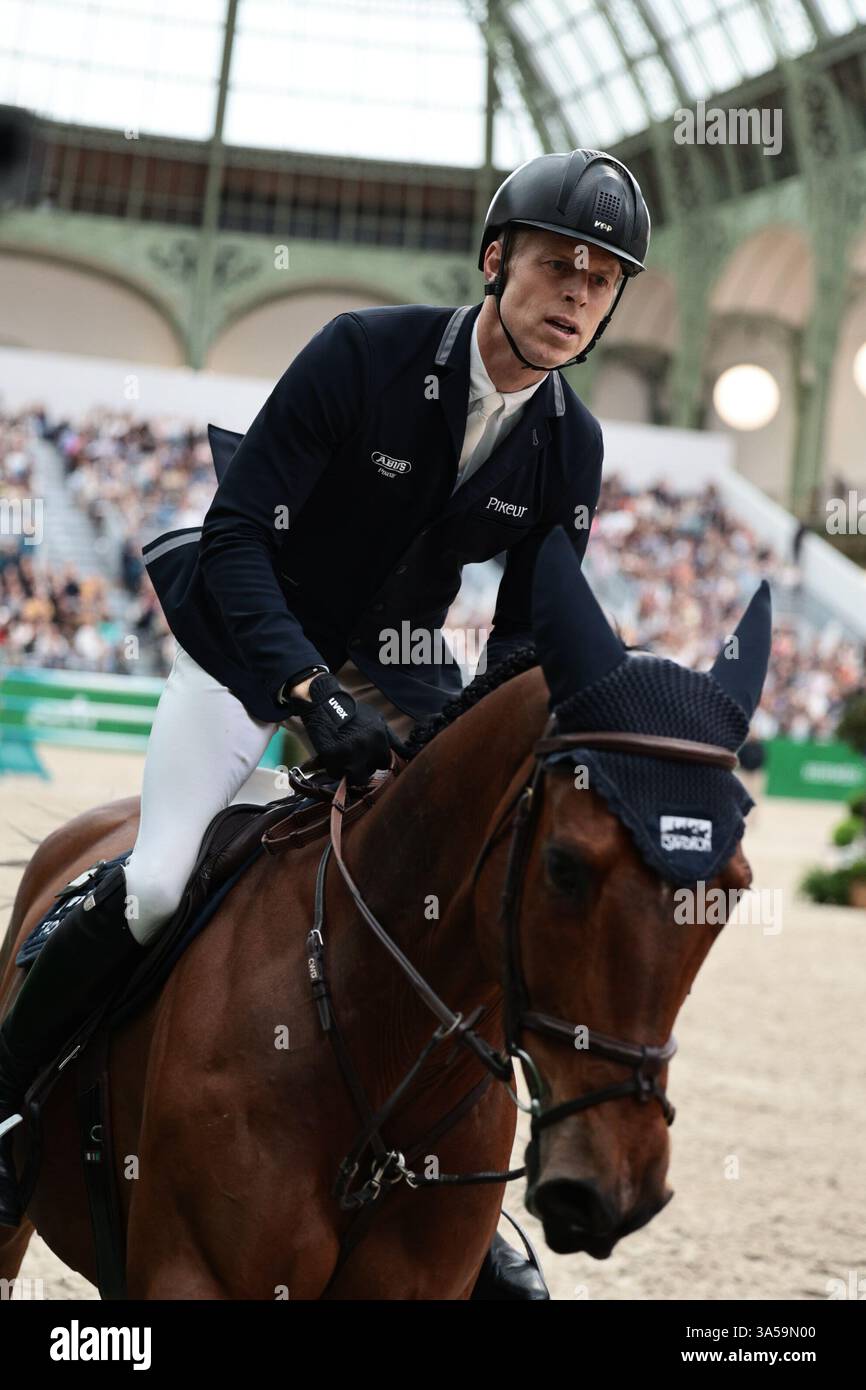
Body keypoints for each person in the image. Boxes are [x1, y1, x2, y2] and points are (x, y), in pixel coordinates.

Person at [0, 149, 650, 1296]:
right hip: (247, 651)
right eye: (558, 266)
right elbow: (240, 532)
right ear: (496, 259)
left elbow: (523, 642)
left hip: (398, 680)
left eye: (601, 283)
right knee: (156, 884)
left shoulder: (568, 442)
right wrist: (304, 690)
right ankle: (9, 1110)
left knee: (453, 917)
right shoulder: (366, 351)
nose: (575, 296)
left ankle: (451, 1195)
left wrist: (483, 751)